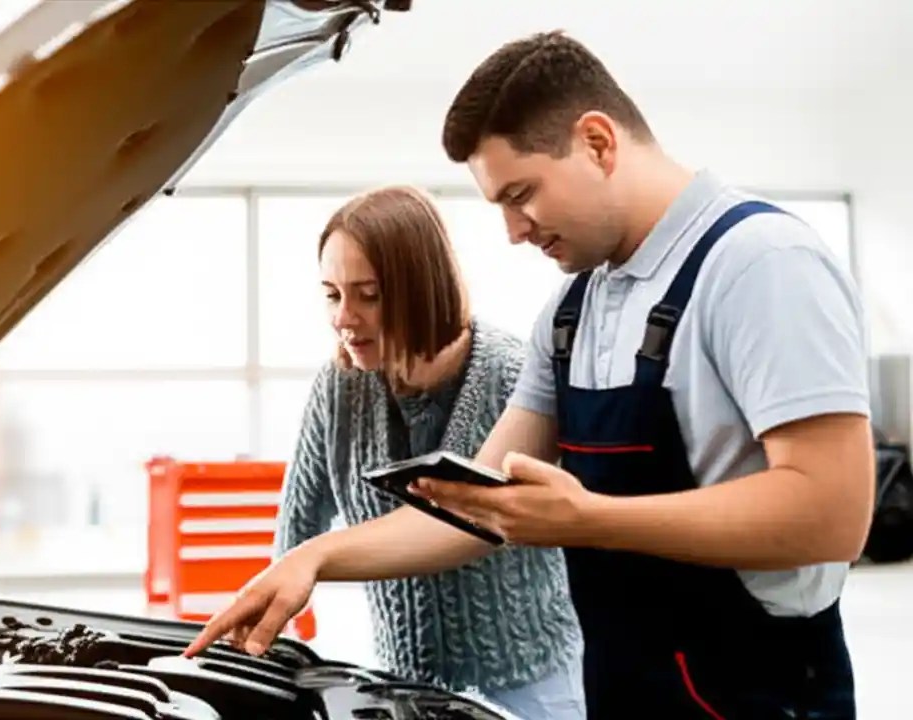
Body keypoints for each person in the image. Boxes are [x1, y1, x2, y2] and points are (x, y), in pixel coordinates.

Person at [186, 31, 874, 720]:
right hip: (625, 687)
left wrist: (591, 520)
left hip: (757, 691)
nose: (514, 231)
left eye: (521, 195)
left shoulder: (760, 264)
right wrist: (313, 558)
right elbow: (472, 509)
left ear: (597, 143)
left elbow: (833, 514)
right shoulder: (573, 310)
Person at [267, 185, 585, 719]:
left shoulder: (514, 378)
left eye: (368, 295)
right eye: (332, 295)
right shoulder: (339, 387)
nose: (344, 318)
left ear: (420, 288)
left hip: (531, 687)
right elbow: (296, 529)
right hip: (402, 687)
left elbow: (494, 522)